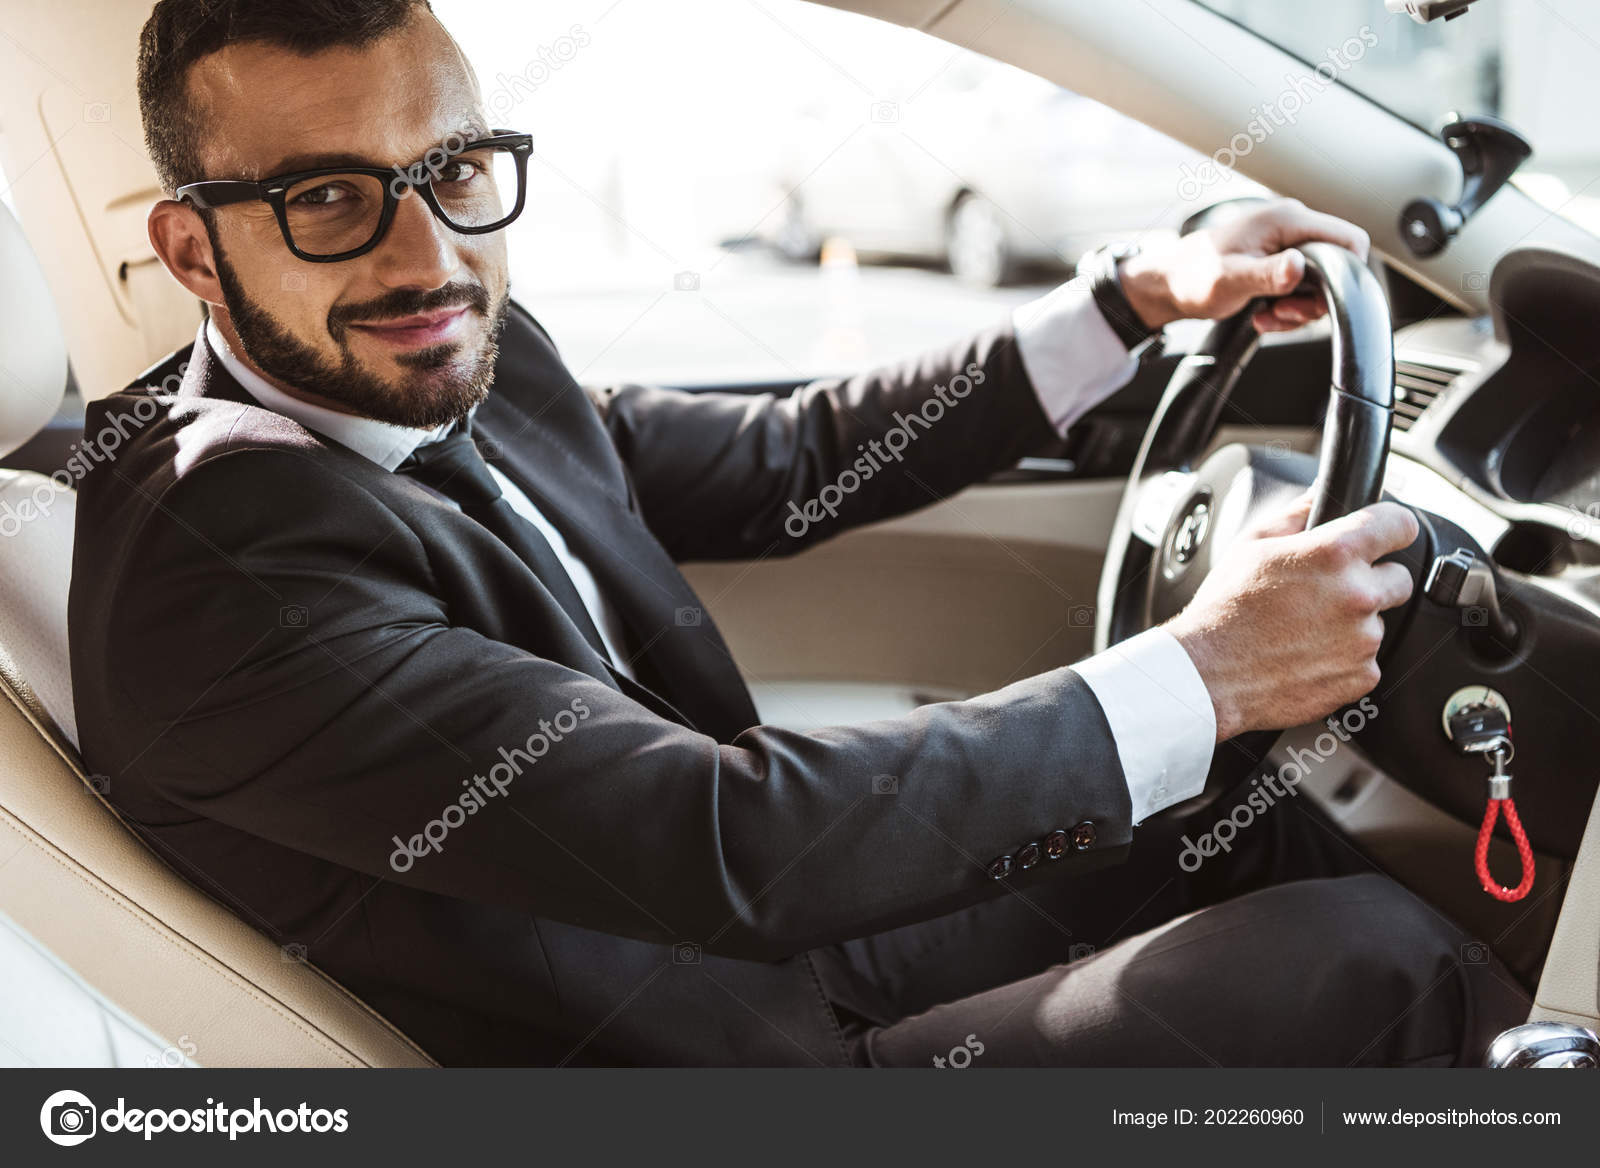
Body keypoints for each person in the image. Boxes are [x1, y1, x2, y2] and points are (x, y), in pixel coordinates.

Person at [67, 0, 1527, 1066]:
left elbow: (792, 459)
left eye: (453, 170)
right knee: (1377, 963)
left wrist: (1131, 301)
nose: (427, 254)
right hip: (713, 1061)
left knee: (1230, 810)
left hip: (778, 956)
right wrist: (1207, 671)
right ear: (193, 245)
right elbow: (726, 842)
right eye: (328, 199)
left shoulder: (442, 361)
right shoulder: (221, 565)